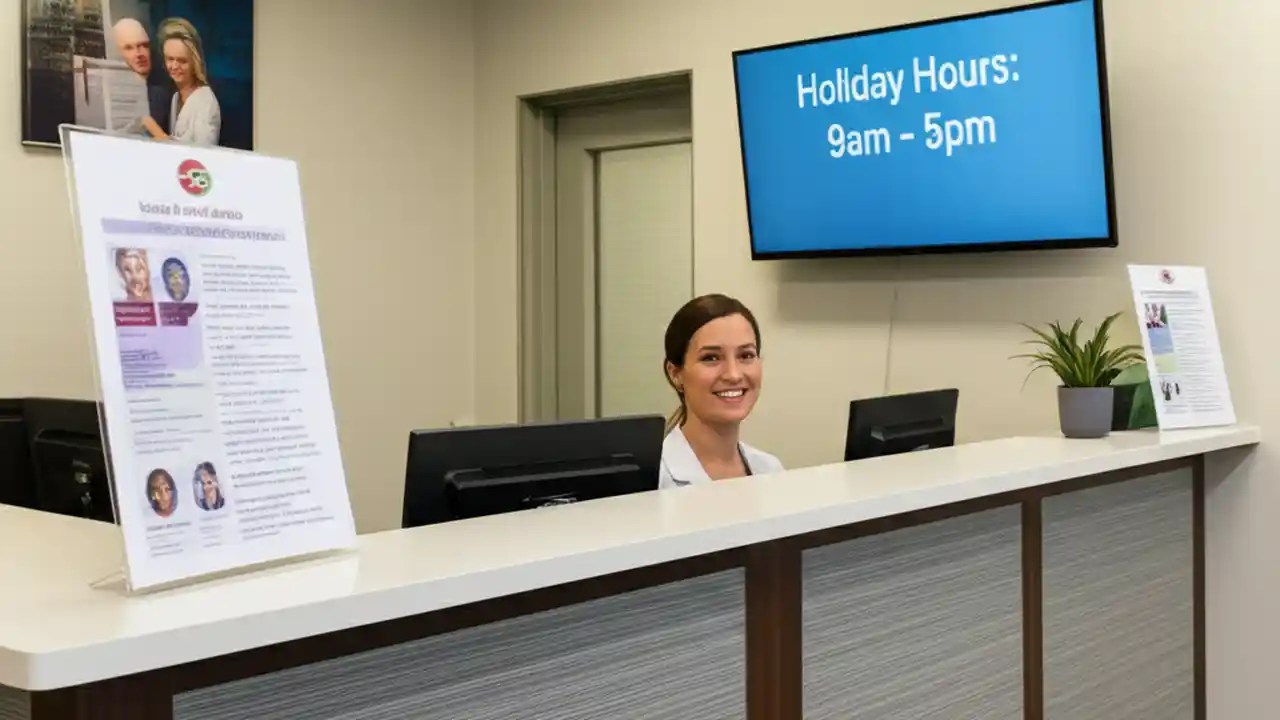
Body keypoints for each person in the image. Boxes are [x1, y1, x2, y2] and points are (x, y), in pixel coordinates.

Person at [658, 294, 782, 488]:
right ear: (676, 374)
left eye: (746, 355)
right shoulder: (652, 480)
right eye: (711, 358)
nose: (733, 375)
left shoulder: (771, 470)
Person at [142, 18, 220, 146]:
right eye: (170, 59)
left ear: (194, 62)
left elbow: (204, 156)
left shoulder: (206, 104)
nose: (174, 66)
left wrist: (157, 132)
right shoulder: (176, 97)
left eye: (182, 61)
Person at [110, 18, 171, 135]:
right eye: (129, 48)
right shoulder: (110, 96)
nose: (139, 54)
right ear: (117, 53)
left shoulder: (162, 95)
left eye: (144, 45)